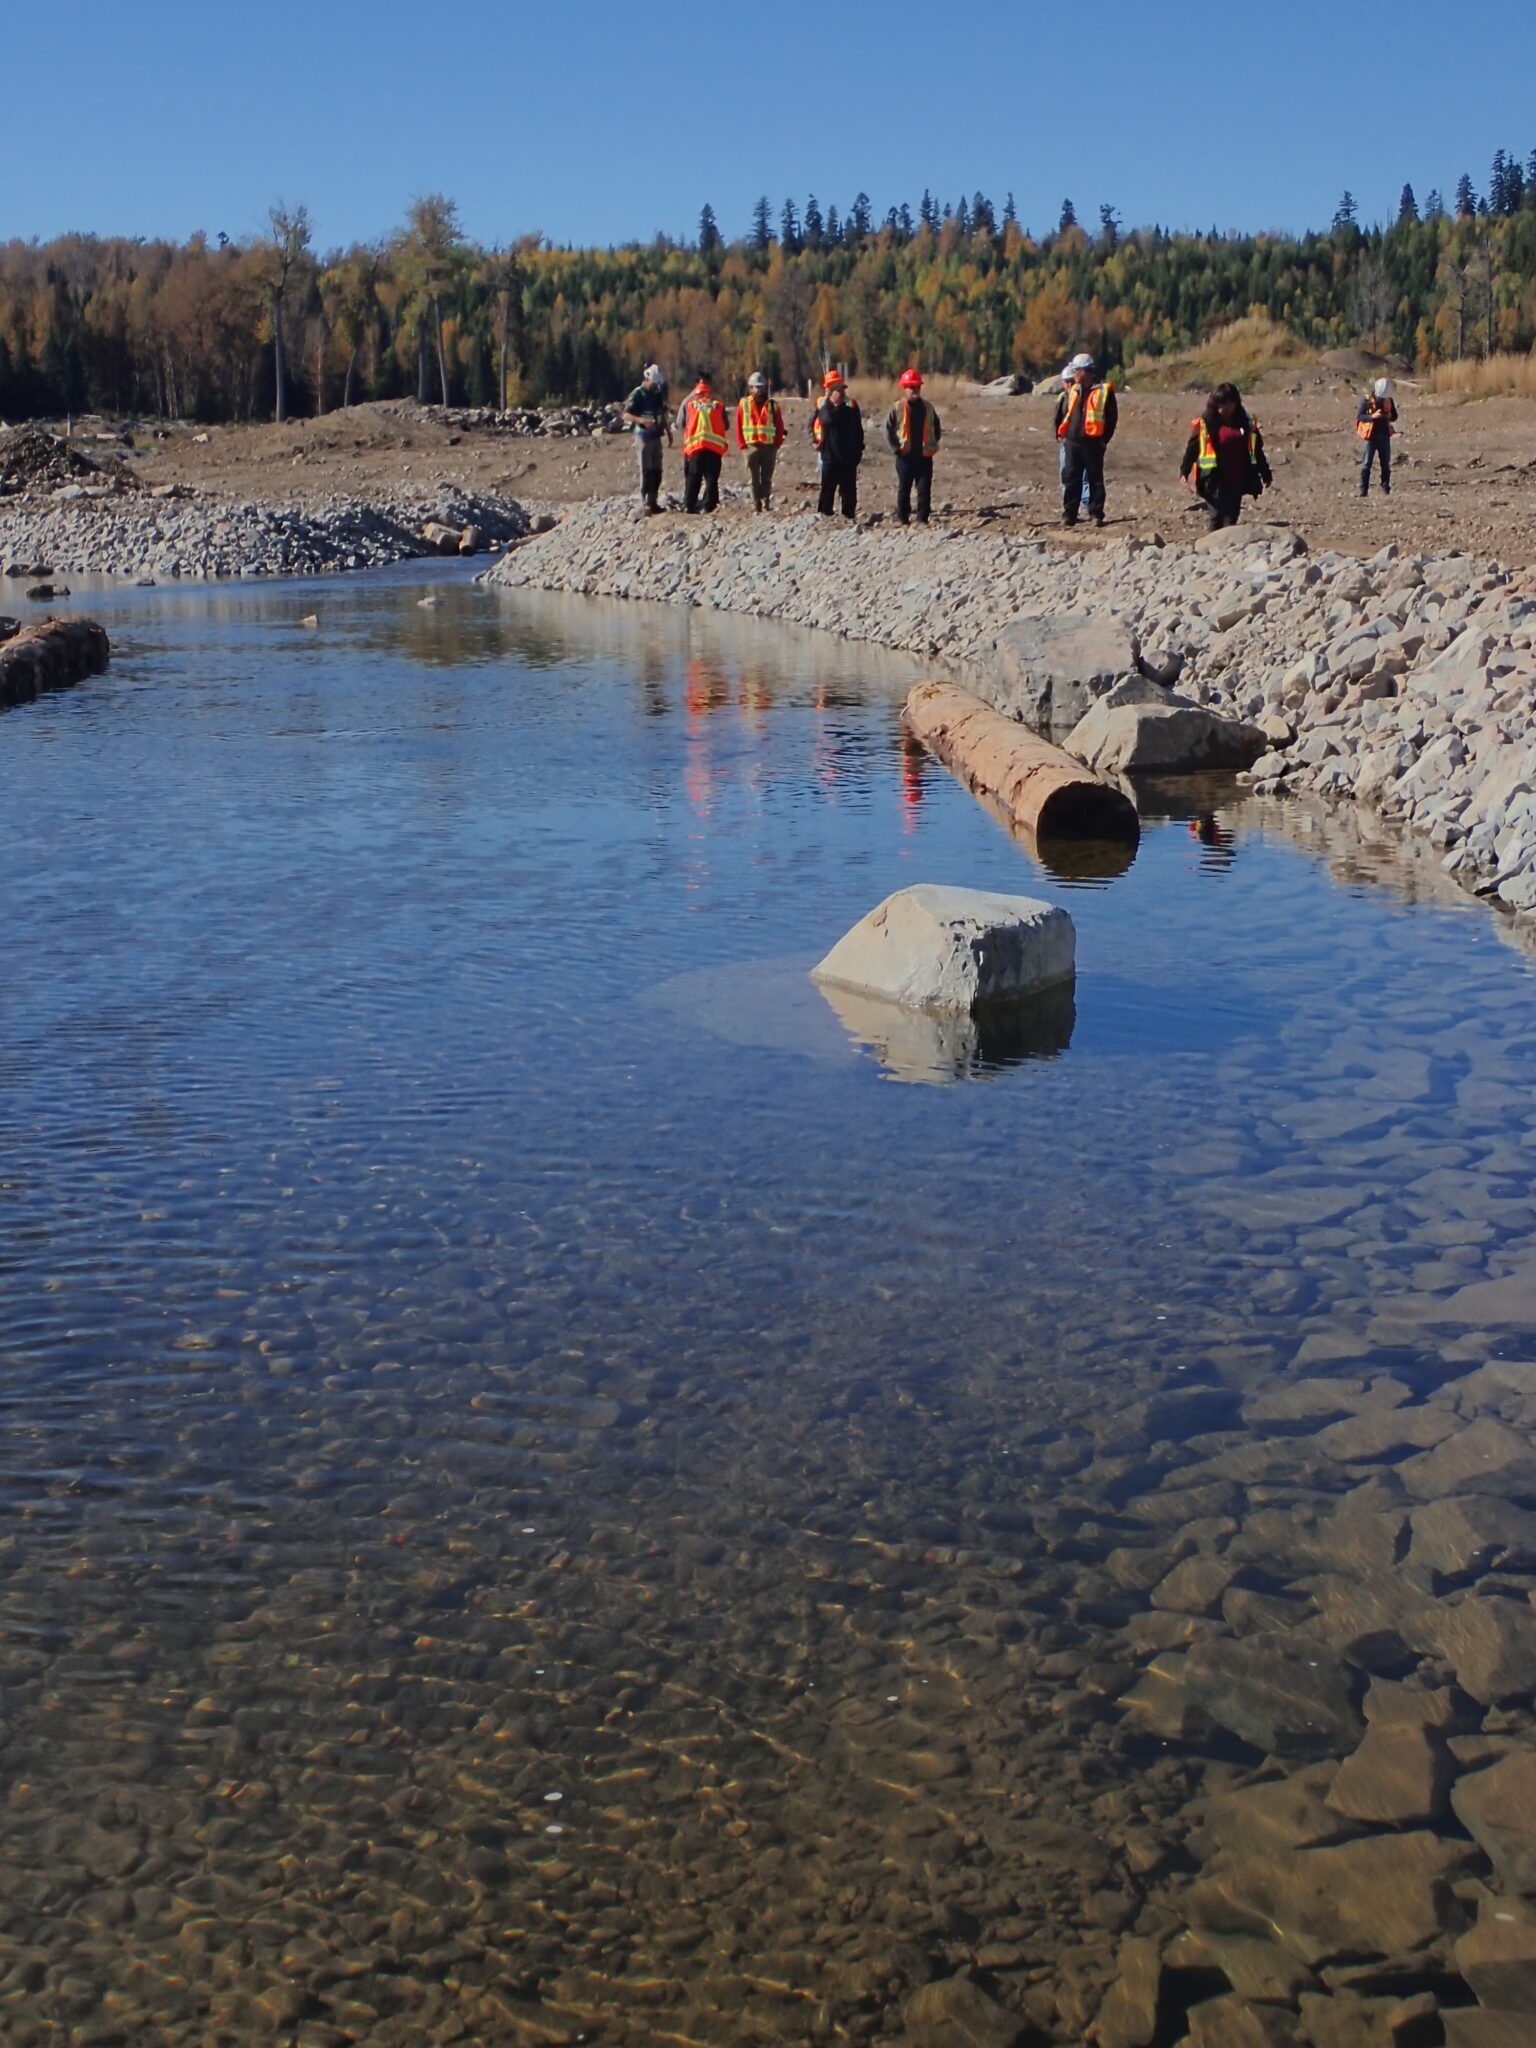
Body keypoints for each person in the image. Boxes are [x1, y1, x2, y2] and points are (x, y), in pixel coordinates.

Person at [1179, 382, 1273, 530]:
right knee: (1216, 517)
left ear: (1235, 403)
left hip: (1237, 478)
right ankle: (1210, 549)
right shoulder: (1206, 424)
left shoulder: (1246, 423)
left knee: (1231, 519)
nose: (1224, 408)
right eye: (1221, 404)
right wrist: (1184, 472)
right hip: (1213, 480)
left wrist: (1265, 472)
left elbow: (1257, 450)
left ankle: (1227, 549)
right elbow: (1192, 449)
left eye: (1229, 403)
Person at [1054, 352, 1117, 528]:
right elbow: (1064, 412)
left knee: (1095, 479)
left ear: (1085, 372)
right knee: (1071, 478)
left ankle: (1096, 513)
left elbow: (1112, 418)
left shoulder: (1104, 392)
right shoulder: (1073, 390)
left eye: (1076, 371)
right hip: (1073, 441)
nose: (1074, 375)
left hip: (1093, 442)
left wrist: (1105, 440)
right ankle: (1069, 514)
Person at [884, 369, 942, 525]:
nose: (914, 390)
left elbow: (936, 427)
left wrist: (932, 443)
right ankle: (903, 519)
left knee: (924, 490)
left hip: (924, 457)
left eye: (916, 386)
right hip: (905, 457)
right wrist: (896, 449)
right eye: (911, 387)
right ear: (905, 388)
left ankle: (922, 519)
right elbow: (887, 430)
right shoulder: (897, 408)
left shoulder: (928, 407)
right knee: (904, 489)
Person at [810, 369, 864, 518]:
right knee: (827, 488)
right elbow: (812, 424)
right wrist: (814, 440)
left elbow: (859, 429)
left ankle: (848, 516)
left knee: (848, 490)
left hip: (848, 455)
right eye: (837, 389)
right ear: (829, 390)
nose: (841, 392)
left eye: (842, 388)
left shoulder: (851, 405)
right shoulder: (821, 405)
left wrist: (859, 449)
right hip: (828, 454)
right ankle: (824, 515)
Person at [675, 372, 729, 514]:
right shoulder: (718, 403)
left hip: (694, 446)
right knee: (711, 478)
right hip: (714, 446)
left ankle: (689, 505)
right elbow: (726, 424)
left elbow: (679, 423)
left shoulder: (689, 402)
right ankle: (709, 505)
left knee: (693, 477)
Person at [621, 363, 670, 513]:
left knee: (657, 469)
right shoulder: (638, 394)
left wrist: (668, 429)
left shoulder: (657, 394)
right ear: (647, 379)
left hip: (656, 436)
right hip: (643, 436)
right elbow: (626, 414)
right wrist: (642, 421)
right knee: (646, 469)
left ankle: (653, 500)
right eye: (655, 384)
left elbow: (661, 412)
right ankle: (645, 502)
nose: (656, 387)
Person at [735, 371, 786, 512]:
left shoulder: (772, 405)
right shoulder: (743, 404)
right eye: (757, 387)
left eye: (762, 387)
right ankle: (756, 504)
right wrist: (741, 444)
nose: (760, 390)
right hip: (750, 446)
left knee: (767, 478)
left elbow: (779, 426)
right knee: (753, 479)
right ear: (750, 389)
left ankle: (766, 502)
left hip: (768, 447)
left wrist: (777, 444)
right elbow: (738, 425)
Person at [1357, 376, 1398, 497]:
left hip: (1384, 436)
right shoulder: (1367, 400)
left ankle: (1386, 487)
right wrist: (1372, 417)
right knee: (1366, 464)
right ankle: (1363, 490)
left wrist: (1389, 416)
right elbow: (1359, 416)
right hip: (1371, 436)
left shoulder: (1388, 400)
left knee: (1385, 463)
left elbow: (1395, 416)